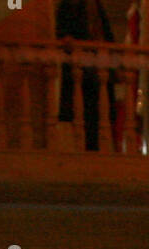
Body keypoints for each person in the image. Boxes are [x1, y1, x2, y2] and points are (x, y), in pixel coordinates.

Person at [56, 0, 117, 152]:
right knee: (81, 114)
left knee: (96, 116)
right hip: (81, 70)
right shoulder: (69, 5)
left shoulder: (96, 6)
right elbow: (62, 30)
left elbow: (106, 35)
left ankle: (95, 149)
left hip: (97, 70)